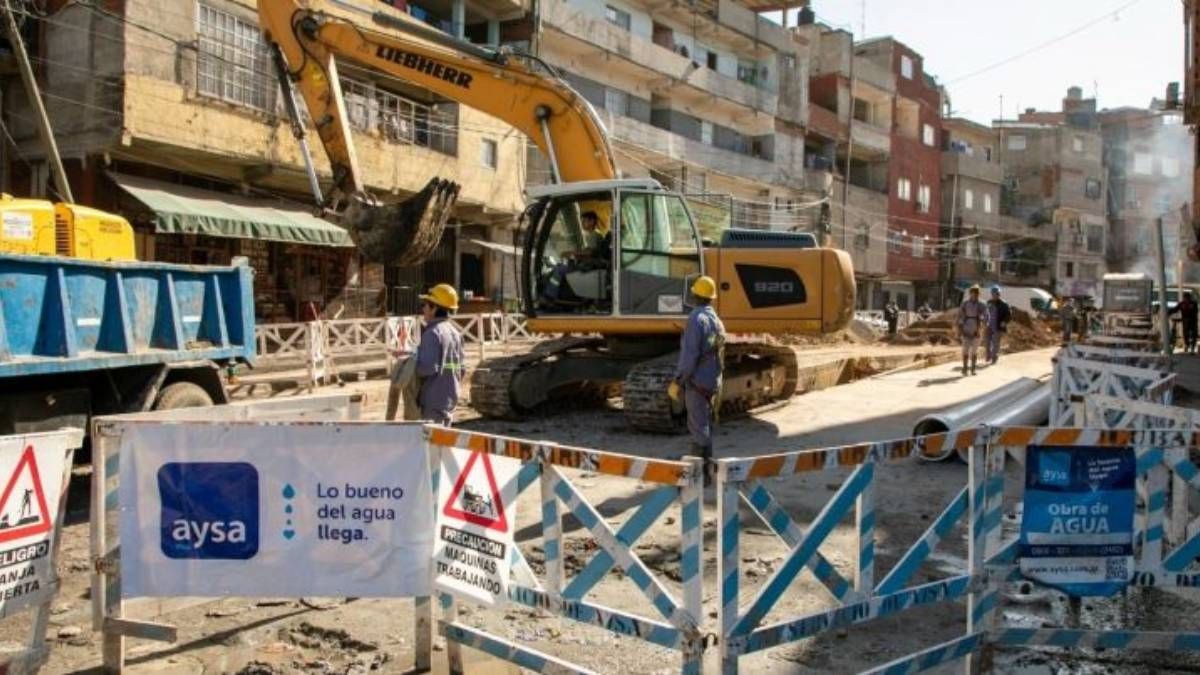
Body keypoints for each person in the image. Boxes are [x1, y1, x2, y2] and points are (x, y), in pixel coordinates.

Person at [669, 275, 726, 483]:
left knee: (698, 428)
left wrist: (678, 380)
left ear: (694, 295)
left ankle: (700, 476)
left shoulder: (696, 319)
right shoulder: (717, 321)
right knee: (705, 425)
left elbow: (689, 356)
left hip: (697, 382)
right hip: (712, 381)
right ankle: (707, 472)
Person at [414, 283, 465, 426]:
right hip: (450, 398)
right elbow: (462, 369)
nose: (423, 308)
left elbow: (426, 368)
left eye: (425, 305)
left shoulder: (432, 333)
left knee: (431, 445)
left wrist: (410, 362)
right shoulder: (456, 333)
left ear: (434, 308)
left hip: (433, 402)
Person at [541, 211, 612, 304]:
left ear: (592, 221)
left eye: (584, 221)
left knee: (559, 269)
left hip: (587, 267)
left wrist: (571, 252)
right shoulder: (594, 235)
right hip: (588, 264)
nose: (582, 223)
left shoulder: (594, 235)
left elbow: (590, 252)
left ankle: (549, 296)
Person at [958, 285, 986, 376]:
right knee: (965, 350)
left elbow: (986, 316)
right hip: (966, 328)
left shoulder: (982, 304)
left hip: (977, 329)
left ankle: (973, 369)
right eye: (973, 293)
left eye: (976, 293)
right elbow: (960, 315)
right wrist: (960, 328)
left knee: (974, 350)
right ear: (970, 293)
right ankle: (965, 368)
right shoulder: (965, 303)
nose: (974, 295)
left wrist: (982, 321)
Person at [985, 285, 1011, 365]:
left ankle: (994, 357)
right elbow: (986, 313)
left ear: (999, 294)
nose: (995, 295)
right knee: (987, 342)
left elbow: (1009, 315)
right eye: (993, 294)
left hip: (998, 326)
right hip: (989, 325)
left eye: (996, 294)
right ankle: (988, 355)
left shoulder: (1004, 304)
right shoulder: (989, 302)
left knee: (996, 342)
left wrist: (1004, 322)